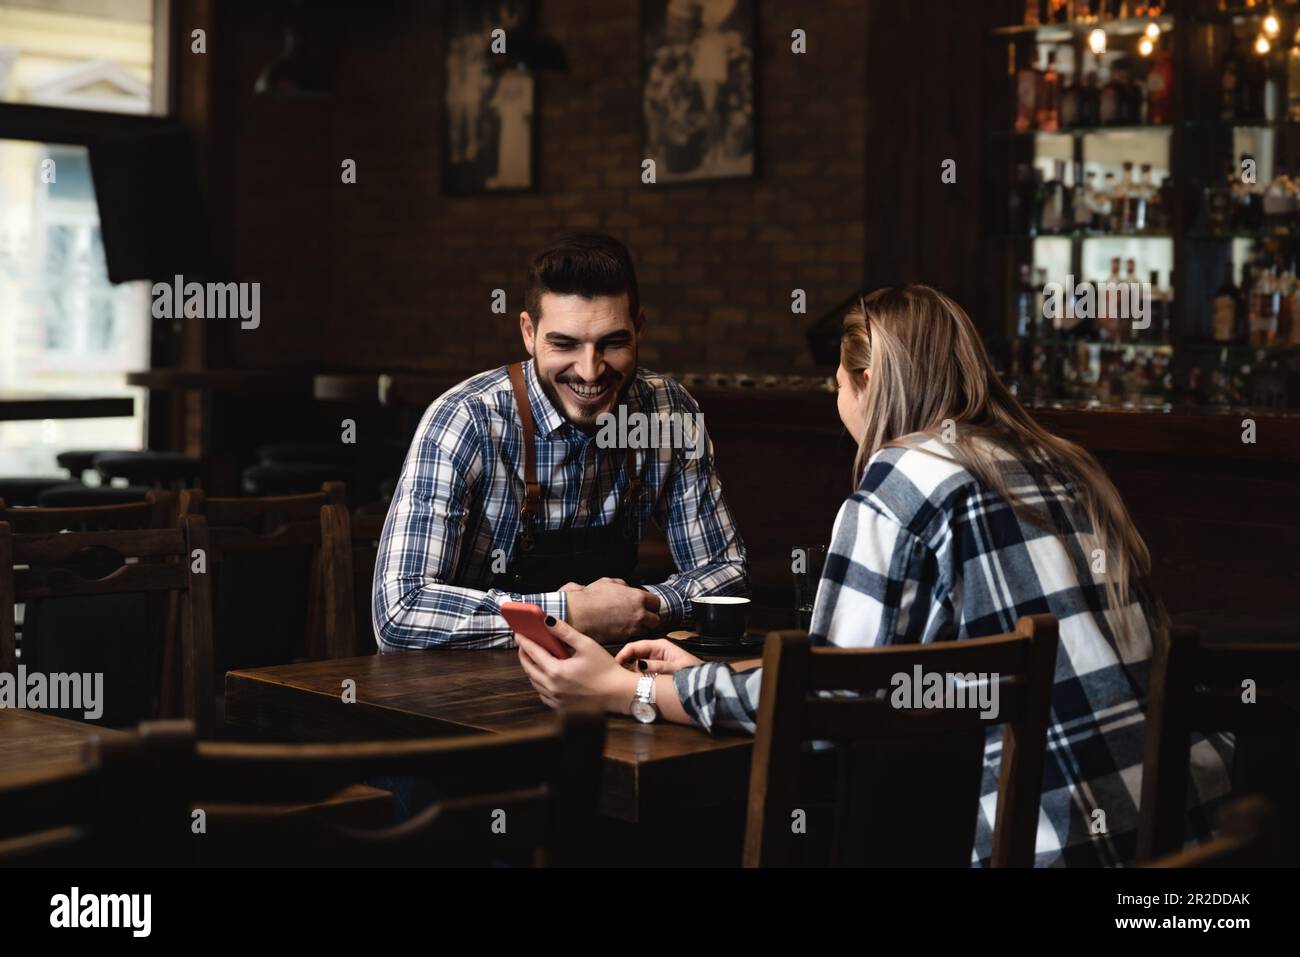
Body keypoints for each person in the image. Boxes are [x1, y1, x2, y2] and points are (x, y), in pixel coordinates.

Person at [512, 284, 1234, 866]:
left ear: (866, 380)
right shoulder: (1067, 462)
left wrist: (629, 688)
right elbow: (858, 679)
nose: (838, 404)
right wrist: (699, 672)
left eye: (837, 384)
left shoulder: (904, 477)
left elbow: (822, 703)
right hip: (1186, 842)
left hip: (1056, 841)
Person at [372, 232, 748, 650]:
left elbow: (725, 570)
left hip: (610, 678)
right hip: (462, 688)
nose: (590, 372)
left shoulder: (667, 412)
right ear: (529, 333)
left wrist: (646, 604)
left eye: (613, 343)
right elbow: (399, 613)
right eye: (565, 344)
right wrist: (569, 614)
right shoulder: (467, 419)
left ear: (639, 329)